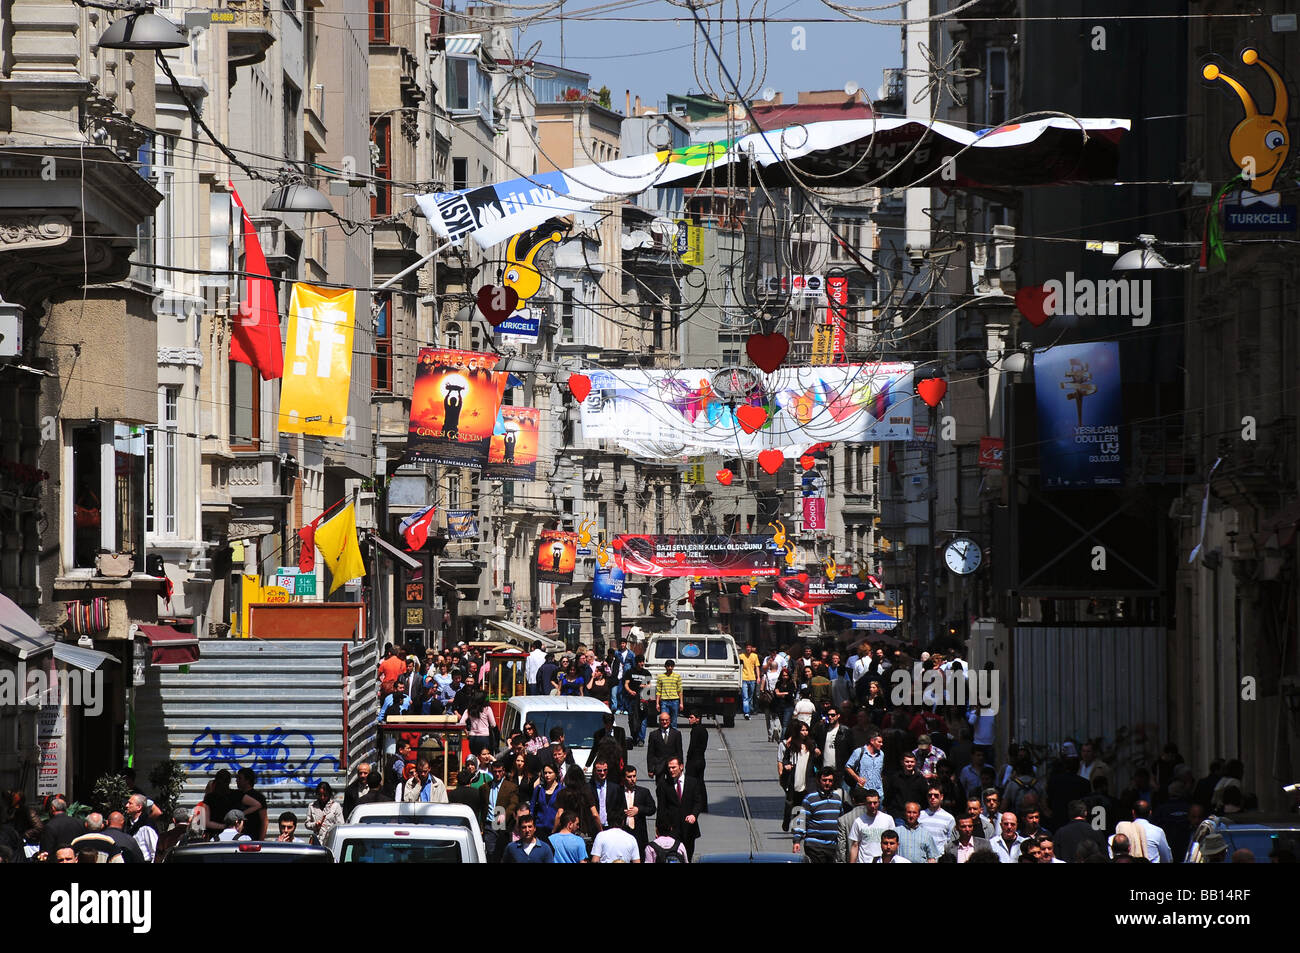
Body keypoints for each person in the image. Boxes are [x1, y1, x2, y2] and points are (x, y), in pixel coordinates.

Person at [793, 769, 843, 863]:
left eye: (830, 780)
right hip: (815, 846)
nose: (827, 783)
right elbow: (801, 820)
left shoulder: (837, 799)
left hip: (832, 846)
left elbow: (841, 820)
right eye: (824, 780)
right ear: (819, 781)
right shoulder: (810, 799)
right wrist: (797, 840)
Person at [658, 756, 703, 860]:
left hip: (689, 829)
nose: (671, 770)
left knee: (688, 856)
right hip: (672, 829)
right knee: (673, 857)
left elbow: (698, 802)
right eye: (669, 768)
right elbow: (662, 807)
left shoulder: (693, 782)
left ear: (681, 767)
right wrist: (661, 827)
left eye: (674, 767)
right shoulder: (664, 785)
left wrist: (694, 815)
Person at [779, 721, 820, 832]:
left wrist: (817, 753)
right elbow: (786, 758)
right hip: (795, 776)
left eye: (806, 730)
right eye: (802, 730)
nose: (805, 732)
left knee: (803, 803)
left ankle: (798, 826)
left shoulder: (812, 744)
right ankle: (787, 820)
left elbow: (817, 761)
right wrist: (786, 765)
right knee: (791, 802)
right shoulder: (792, 744)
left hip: (807, 777)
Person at [484, 758, 520, 863]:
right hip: (489, 823)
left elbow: (514, 803)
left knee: (503, 852)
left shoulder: (511, 787)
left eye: (500, 771)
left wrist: (504, 814)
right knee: (490, 852)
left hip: (503, 824)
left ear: (503, 771)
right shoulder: (485, 788)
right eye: (495, 772)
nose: (497, 774)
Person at [616, 765, 657, 853]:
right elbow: (611, 809)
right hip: (623, 831)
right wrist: (621, 813)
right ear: (624, 778)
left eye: (634, 776)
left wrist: (639, 810)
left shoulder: (644, 792)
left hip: (639, 833)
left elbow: (652, 809)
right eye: (629, 777)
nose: (632, 779)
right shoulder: (618, 792)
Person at [848, 789, 895, 863]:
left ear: (879, 802)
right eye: (869, 803)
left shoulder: (888, 819)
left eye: (875, 803)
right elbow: (855, 846)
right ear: (865, 803)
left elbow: (893, 843)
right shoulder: (859, 821)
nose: (872, 806)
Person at [844, 729, 885, 800]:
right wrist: (857, 778)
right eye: (879, 742)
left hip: (878, 791)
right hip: (864, 790)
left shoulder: (881, 754)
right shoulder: (859, 752)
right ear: (872, 741)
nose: (881, 744)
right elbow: (848, 766)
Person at [646, 709, 684, 782]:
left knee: (672, 789)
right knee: (660, 789)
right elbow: (650, 753)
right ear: (659, 721)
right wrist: (650, 769)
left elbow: (679, 751)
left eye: (666, 720)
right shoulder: (653, 734)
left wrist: (681, 766)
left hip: (673, 767)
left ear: (670, 720)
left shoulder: (676, 734)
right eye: (662, 720)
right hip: (659, 767)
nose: (664, 722)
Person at [622, 655, 651, 746]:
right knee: (632, 719)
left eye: (643, 662)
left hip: (643, 699)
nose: (642, 663)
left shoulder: (646, 673)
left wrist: (644, 686)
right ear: (636, 662)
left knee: (643, 719)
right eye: (640, 662)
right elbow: (626, 684)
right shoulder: (630, 672)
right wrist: (630, 691)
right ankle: (634, 737)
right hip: (632, 699)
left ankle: (641, 739)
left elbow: (649, 685)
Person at [529, 763, 562, 839]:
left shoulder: (561, 790)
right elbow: (532, 806)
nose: (547, 775)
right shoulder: (539, 788)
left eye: (550, 773)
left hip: (555, 829)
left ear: (556, 774)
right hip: (539, 827)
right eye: (545, 773)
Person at [685, 711, 709, 813]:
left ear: (697, 719)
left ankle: (693, 805)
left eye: (691, 717)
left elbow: (692, 746)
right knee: (700, 782)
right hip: (701, 760)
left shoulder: (695, 730)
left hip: (694, 761)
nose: (689, 719)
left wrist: (687, 760)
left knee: (691, 783)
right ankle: (703, 805)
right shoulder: (704, 730)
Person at [234, 768, 267, 840]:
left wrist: (261, 840)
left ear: (247, 780)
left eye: (239, 778)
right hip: (236, 838)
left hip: (253, 838)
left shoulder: (258, 797)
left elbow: (264, 820)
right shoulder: (235, 795)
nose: (236, 780)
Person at [919, 785, 955, 851]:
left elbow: (952, 841)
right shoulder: (920, 815)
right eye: (930, 795)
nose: (932, 798)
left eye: (936, 795)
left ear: (941, 797)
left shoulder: (949, 818)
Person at [125, 795, 159, 861]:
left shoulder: (147, 826)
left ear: (139, 807)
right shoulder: (128, 824)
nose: (126, 805)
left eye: (130, 803)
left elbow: (154, 851)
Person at [655, 659, 683, 727]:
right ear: (665, 667)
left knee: (674, 721)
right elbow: (658, 691)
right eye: (668, 666)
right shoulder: (660, 677)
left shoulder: (677, 676)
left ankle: (674, 736)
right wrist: (657, 703)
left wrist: (681, 703)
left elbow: (680, 690)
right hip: (664, 701)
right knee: (664, 720)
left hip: (675, 701)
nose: (670, 668)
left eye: (671, 666)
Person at [739, 642, 760, 720]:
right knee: (745, 697)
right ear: (745, 648)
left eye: (749, 647)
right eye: (747, 647)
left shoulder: (755, 656)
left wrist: (758, 677)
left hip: (752, 678)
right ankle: (746, 712)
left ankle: (749, 710)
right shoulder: (741, 656)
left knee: (750, 696)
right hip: (744, 678)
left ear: (752, 648)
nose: (748, 648)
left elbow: (757, 667)